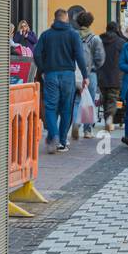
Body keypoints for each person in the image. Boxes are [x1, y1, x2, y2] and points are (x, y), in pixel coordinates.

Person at [33, 9, 91, 154]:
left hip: (51, 74)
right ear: (67, 19)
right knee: (66, 108)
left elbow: (36, 54)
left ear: (55, 19)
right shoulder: (73, 35)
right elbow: (79, 56)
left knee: (50, 107)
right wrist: (85, 76)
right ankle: (62, 142)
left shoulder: (46, 35)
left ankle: (54, 135)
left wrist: (43, 69)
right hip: (68, 75)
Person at [74, 11, 105, 139]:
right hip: (90, 73)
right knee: (88, 101)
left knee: (76, 101)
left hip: (75, 73)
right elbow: (100, 58)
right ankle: (87, 130)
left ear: (78, 22)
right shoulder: (95, 39)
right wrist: (94, 67)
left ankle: (75, 124)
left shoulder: (73, 36)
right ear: (90, 22)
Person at [98, 20, 125, 132]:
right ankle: (110, 117)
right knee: (113, 99)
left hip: (101, 75)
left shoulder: (99, 40)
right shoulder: (121, 42)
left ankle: (107, 119)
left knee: (104, 98)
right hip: (116, 75)